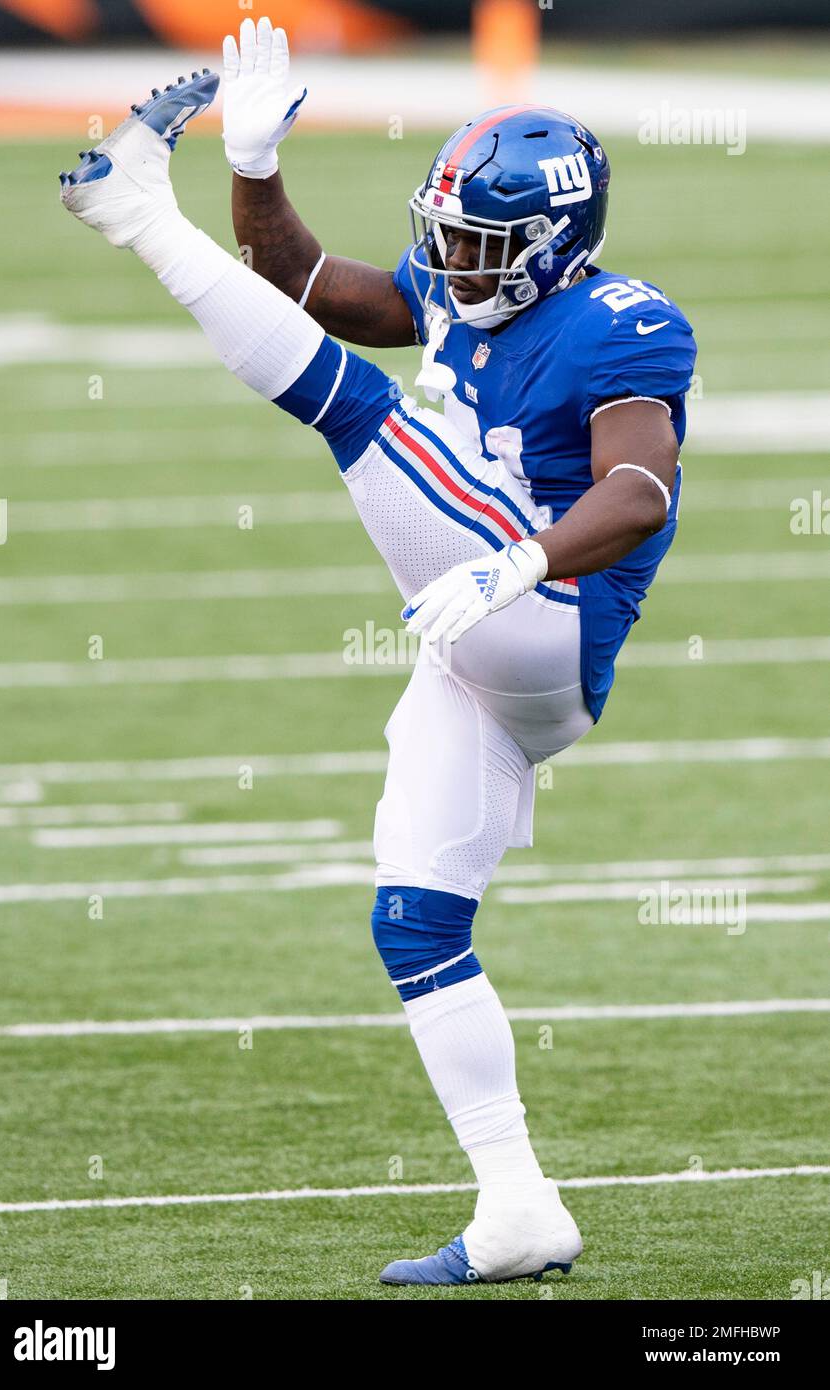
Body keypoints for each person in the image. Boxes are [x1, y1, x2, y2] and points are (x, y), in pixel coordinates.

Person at [59, 17, 696, 1286]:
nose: (451, 262)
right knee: (415, 925)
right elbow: (301, 281)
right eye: (445, 233)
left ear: (555, 248)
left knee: (355, 404)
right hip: (467, 647)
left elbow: (639, 493)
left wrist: (520, 561)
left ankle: (136, 215)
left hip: (539, 622)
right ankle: (518, 1207)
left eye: (478, 244)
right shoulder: (460, 287)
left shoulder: (618, 330)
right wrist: (253, 172)